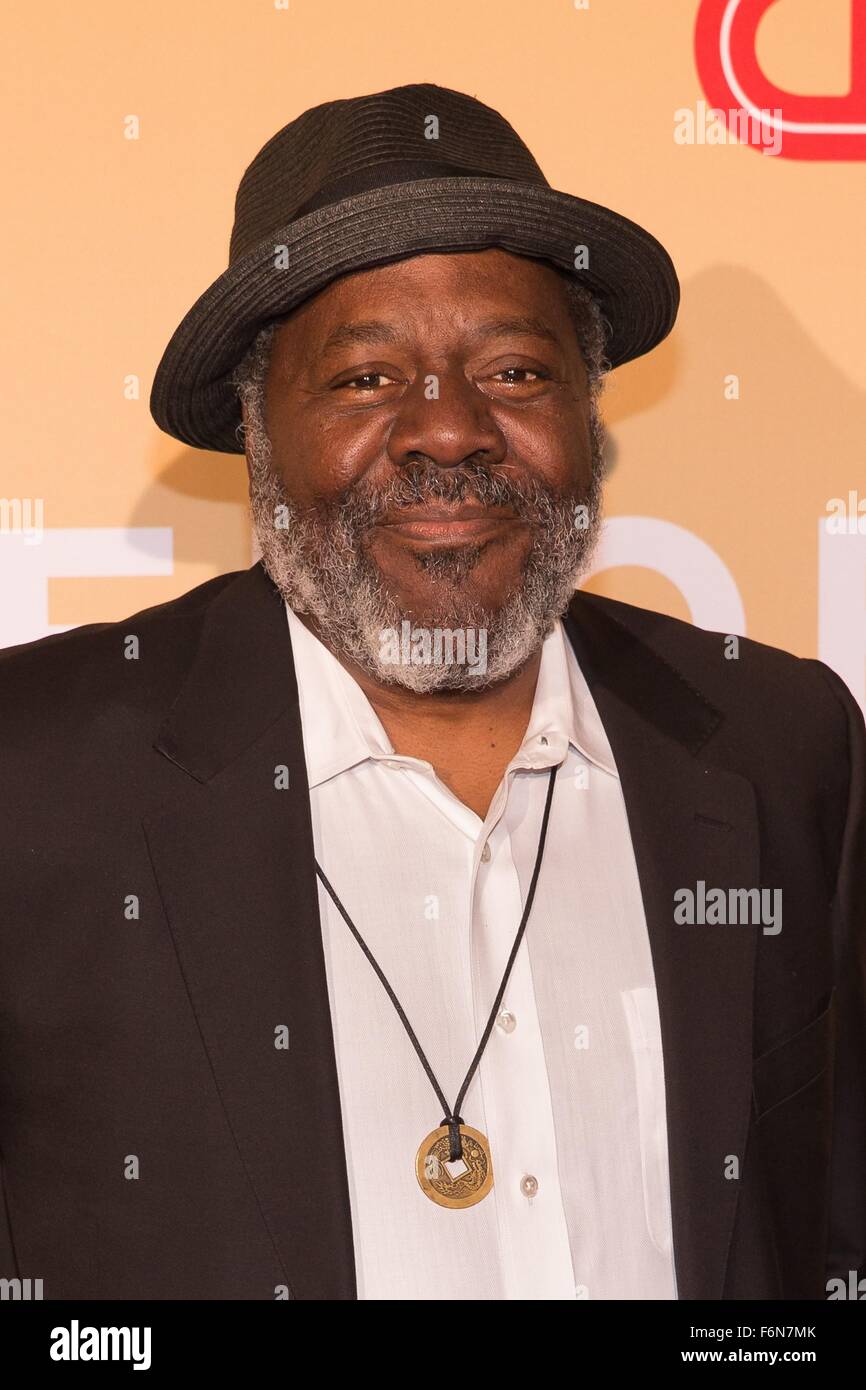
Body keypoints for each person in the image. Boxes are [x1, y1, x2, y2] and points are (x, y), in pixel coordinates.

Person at [0, 83, 863, 1301]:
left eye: (512, 370)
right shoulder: (32, 776)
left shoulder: (783, 747)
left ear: (588, 414)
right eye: (363, 380)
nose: (447, 431)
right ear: (257, 431)